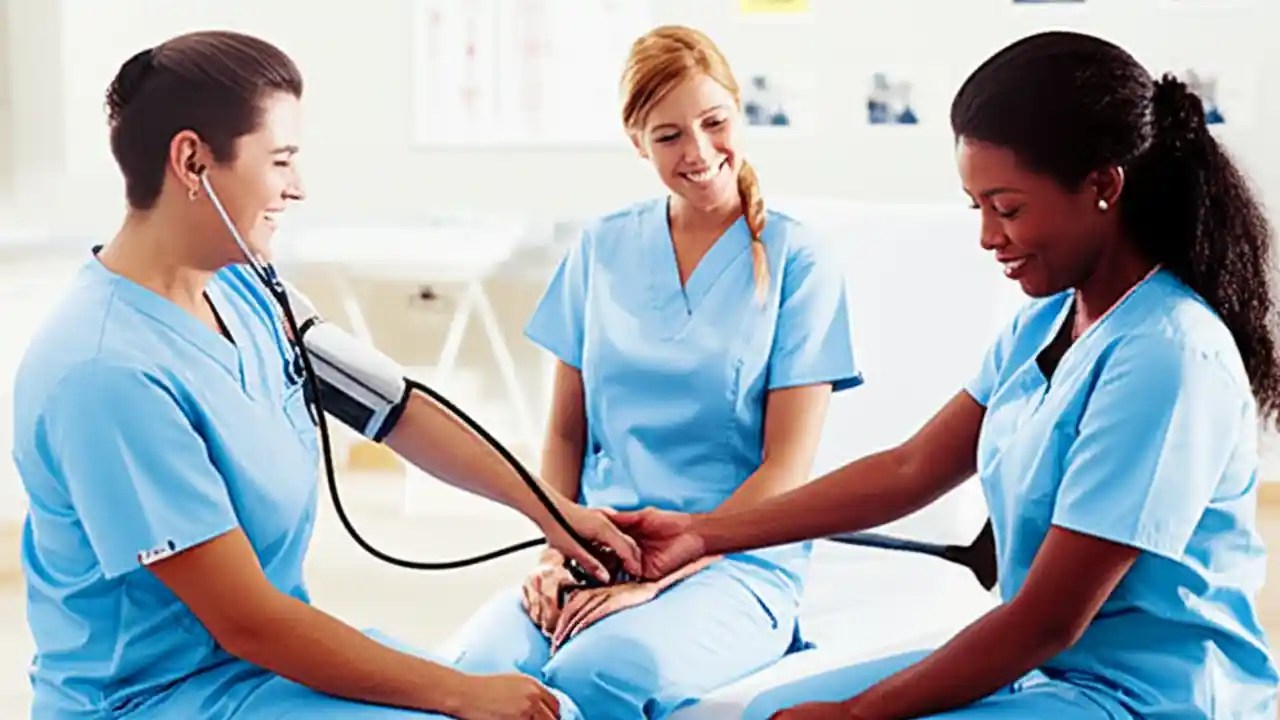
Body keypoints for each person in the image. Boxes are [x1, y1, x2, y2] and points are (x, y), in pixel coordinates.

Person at [612, 30, 1280, 720]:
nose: (989, 237)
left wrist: (856, 715)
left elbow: (1049, 618)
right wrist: (701, 533)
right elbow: (910, 469)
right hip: (1051, 671)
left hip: (1145, 699)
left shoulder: (1169, 357)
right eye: (978, 208)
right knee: (771, 710)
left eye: (1009, 208)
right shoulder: (1047, 322)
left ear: (1103, 186)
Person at [10, 30, 643, 720]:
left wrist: (554, 513)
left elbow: (398, 411)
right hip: (156, 700)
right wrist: (463, 695)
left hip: (257, 672)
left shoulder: (244, 292)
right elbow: (247, 620)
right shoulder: (108, 373)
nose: (298, 188)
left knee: (554, 709)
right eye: (280, 160)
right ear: (192, 161)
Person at [444, 24, 861, 720]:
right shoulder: (602, 247)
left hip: (735, 561)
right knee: (479, 672)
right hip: (597, 553)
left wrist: (666, 575)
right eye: (668, 136)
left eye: (714, 122)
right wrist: (558, 548)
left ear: (739, 110)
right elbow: (564, 436)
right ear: (637, 142)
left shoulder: (800, 260)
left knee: (598, 673)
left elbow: (786, 471)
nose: (698, 152)